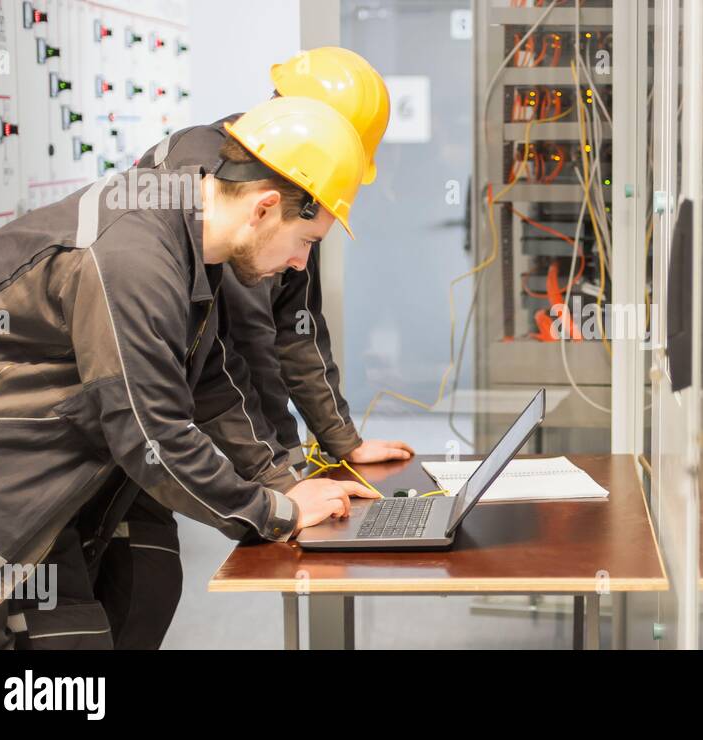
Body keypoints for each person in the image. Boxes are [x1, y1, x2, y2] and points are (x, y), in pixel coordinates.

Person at [0, 97, 379, 649]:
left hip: (35, 484)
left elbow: (212, 384)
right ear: (265, 207)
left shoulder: (189, 238)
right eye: (306, 243)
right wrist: (275, 513)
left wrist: (283, 482)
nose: (301, 265)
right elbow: (152, 434)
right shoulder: (135, 258)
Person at [85, 47, 413, 649]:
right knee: (102, 604)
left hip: (157, 413)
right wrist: (284, 479)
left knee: (144, 586)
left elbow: (296, 323)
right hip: (118, 418)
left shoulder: (291, 188)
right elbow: (247, 346)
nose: (300, 256)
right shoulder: (232, 184)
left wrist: (341, 442)